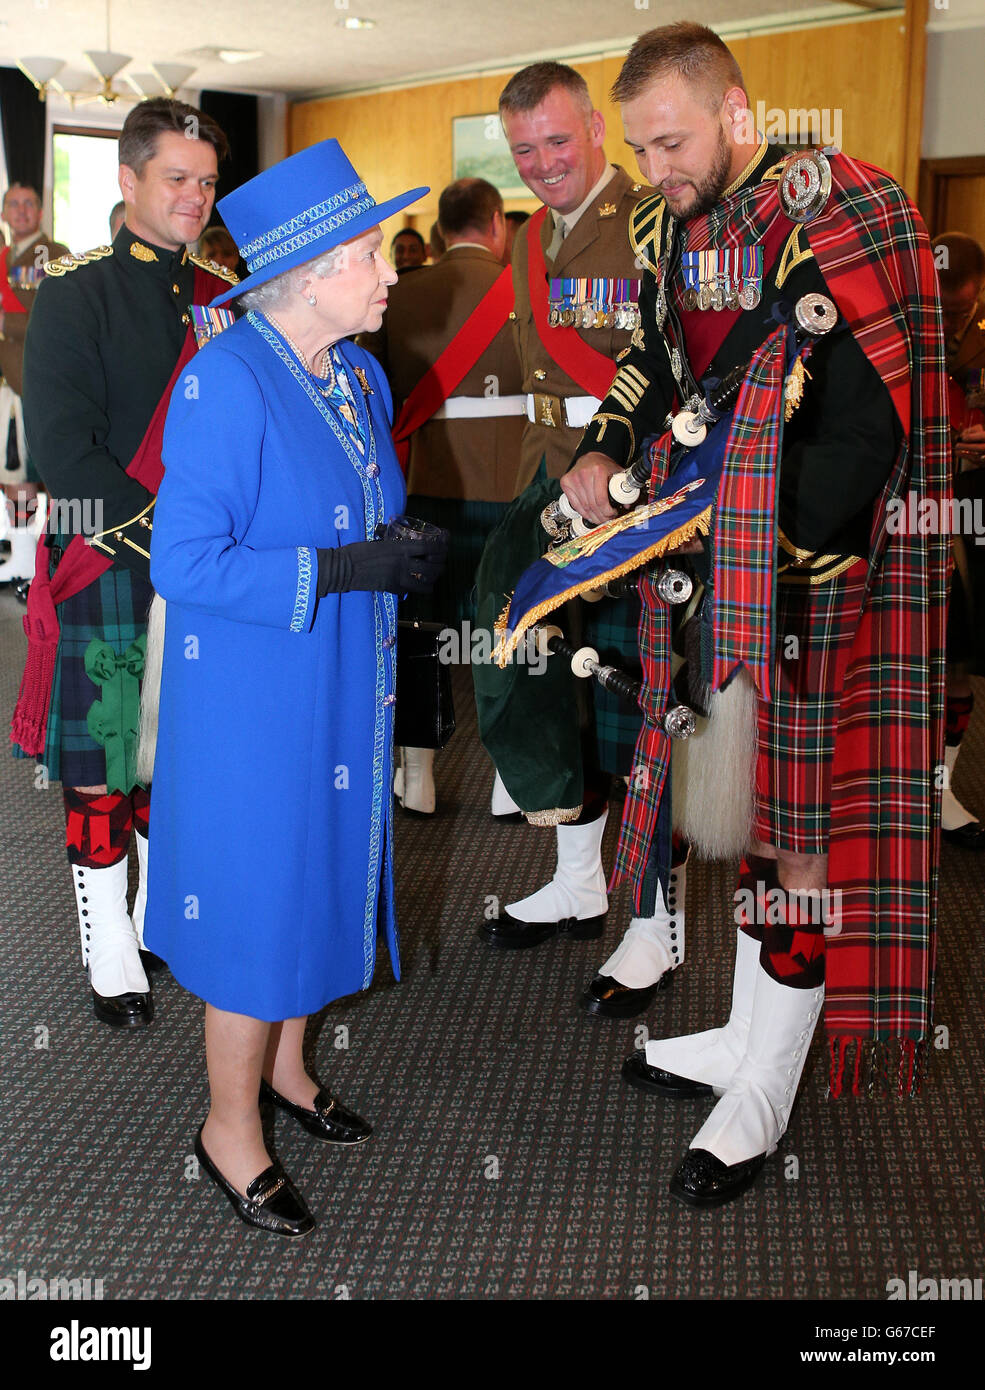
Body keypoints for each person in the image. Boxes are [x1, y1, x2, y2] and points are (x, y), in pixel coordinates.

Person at [563, 23, 947, 1205]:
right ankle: (742, 1034)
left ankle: (769, 1084)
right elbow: (652, 363)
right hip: (712, 568)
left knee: (797, 833)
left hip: (809, 578)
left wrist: (750, 541)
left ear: (736, 112)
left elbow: (870, 428)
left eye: (671, 143)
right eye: (639, 148)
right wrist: (606, 447)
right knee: (733, 805)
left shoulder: (842, 207)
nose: (656, 169)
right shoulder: (665, 226)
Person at [144, 140, 444, 1237]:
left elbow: (360, 503)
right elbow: (182, 564)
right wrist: (343, 568)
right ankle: (228, 1127)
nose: (388, 273)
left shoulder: (357, 373)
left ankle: (287, 1070)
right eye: (369, 254)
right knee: (260, 901)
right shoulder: (224, 380)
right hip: (256, 694)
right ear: (309, 275)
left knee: (323, 870)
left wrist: (395, 549)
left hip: (345, 675)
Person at [15, 99, 235, 1030]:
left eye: (207, 181)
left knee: (177, 754)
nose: (194, 197)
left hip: (208, 567)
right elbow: (65, 450)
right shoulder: (75, 292)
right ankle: (107, 939)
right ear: (128, 180)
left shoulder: (227, 294)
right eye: (176, 178)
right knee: (107, 756)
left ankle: (156, 916)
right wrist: (178, 537)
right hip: (111, 554)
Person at [478, 61, 687, 1025]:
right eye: (523, 150)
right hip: (548, 495)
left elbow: (676, 372)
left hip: (634, 504)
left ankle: (654, 924)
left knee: (636, 710)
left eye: (557, 141)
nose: (542, 164)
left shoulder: (653, 223)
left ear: (598, 129)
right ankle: (577, 880)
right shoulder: (527, 239)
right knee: (552, 687)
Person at [361, 176, 523, 814]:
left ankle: (418, 780)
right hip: (514, 491)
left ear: (439, 231)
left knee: (421, 635)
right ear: (496, 223)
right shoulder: (524, 290)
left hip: (424, 487)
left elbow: (372, 395)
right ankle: (510, 781)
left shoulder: (400, 292)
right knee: (510, 633)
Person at [933, 231, 985, 849]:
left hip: (971, 518)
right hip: (906, 514)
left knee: (957, 664)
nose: (950, 319)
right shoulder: (900, 324)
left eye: (961, 308)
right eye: (942, 306)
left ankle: (941, 793)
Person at [0, 183, 68, 585]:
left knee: (55, 474)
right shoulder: (4, 257)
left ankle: (62, 556)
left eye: (29, 203)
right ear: (4, 213)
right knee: (15, 475)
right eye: (14, 204)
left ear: (40, 212)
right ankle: (24, 557)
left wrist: (5, 322)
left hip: (40, 382)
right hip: (7, 385)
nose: (22, 210)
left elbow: (56, 319)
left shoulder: (54, 254)